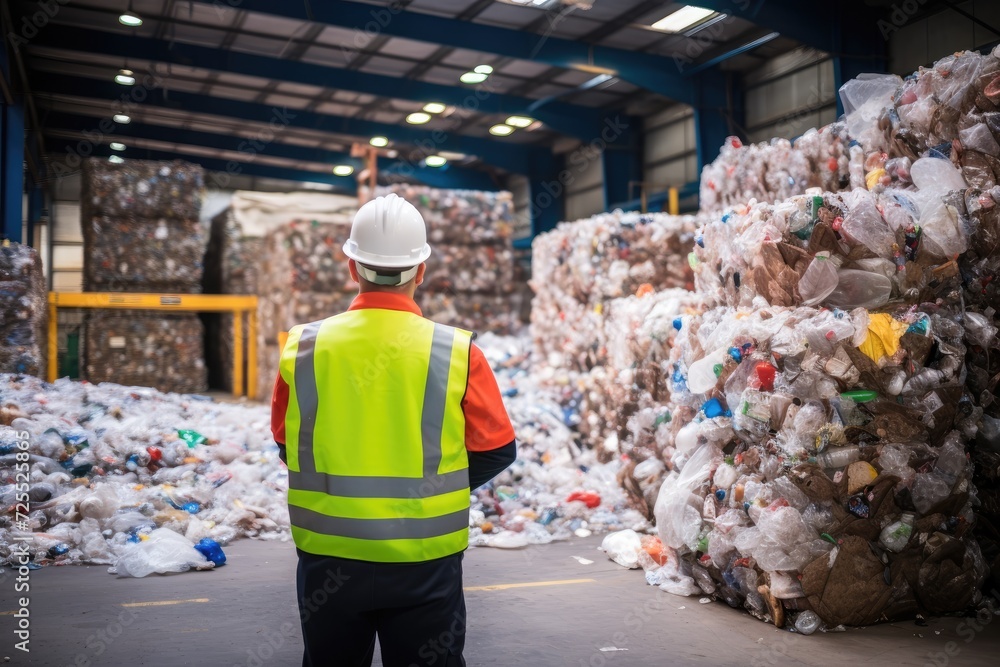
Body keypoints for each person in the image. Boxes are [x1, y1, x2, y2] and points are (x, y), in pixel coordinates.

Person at [271, 193, 517, 667]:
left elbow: (288, 443)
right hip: (423, 559)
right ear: (420, 271)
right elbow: (497, 450)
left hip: (328, 558)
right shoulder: (456, 351)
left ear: (351, 266)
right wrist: (427, 491)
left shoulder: (303, 347)